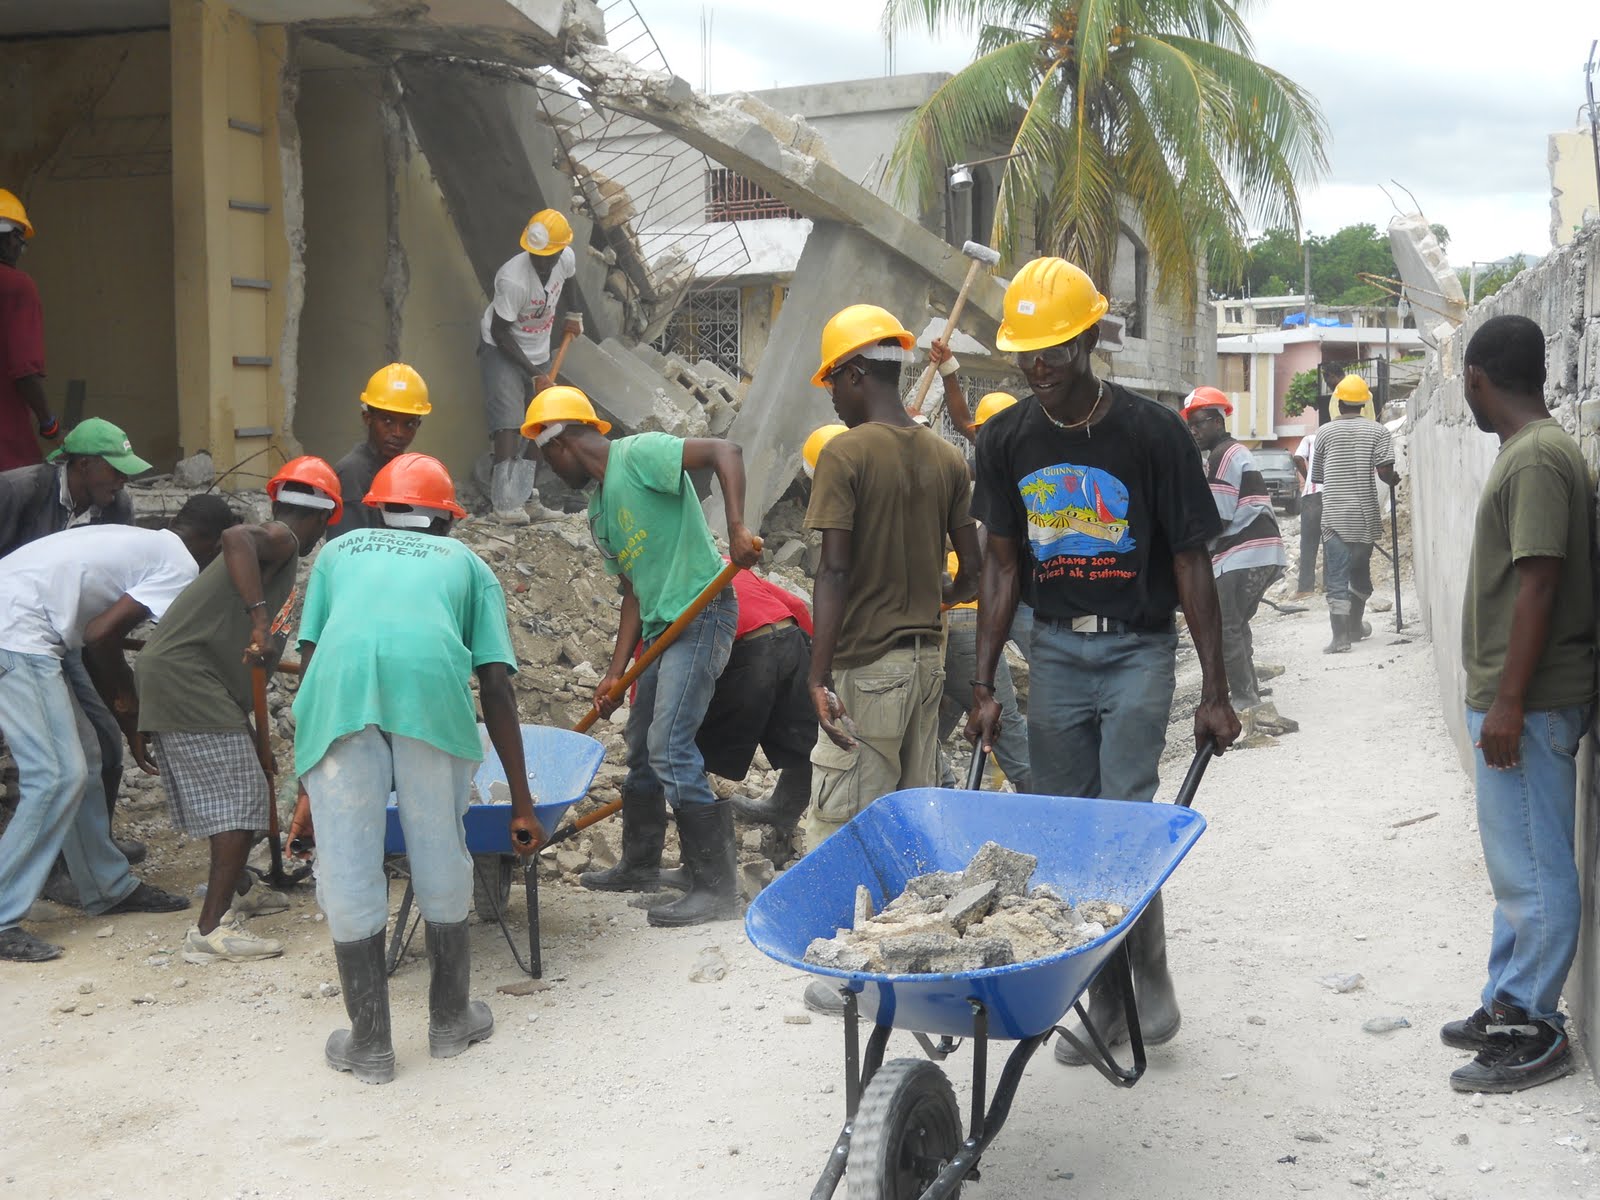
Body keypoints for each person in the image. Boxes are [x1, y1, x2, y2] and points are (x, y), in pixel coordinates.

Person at [965, 257, 1239, 1066]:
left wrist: (1216, 693)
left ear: (1088, 340)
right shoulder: (1007, 438)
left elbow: (1191, 562)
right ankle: (1103, 989)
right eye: (1025, 352)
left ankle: (1139, 983)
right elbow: (1002, 566)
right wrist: (983, 686)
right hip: (1053, 651)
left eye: (1051, 350)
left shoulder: (1154, 435)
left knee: (1124, 825)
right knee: (1065, 829)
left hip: (1136, 651)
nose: (1035, 367)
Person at [294, 453, 543, 1084]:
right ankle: (450, 1022)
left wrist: (307, 792)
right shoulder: (467, 564)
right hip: (430, 693)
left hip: (340, 698)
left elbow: (311, 657)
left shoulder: (338, 550)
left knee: (349, 866)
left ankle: (371, 1044)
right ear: (447, 522)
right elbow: (494, 685)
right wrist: (520, 800)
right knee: (439, 848)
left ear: (375, 509)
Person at [527, 386, 761, 926]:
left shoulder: (640, 456)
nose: (550, 472)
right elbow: (632, 593)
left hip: (702, 614)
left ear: (561, 446)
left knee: (669, 743)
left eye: (546, 460)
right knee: (640, 746)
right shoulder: (599, 510)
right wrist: (615, 674)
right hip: (660, 630)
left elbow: (727, 453)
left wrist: (738, 527)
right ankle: (640, 863)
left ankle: (717, 888)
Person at [1442, 314, 1596, 1094]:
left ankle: (1534, 1029)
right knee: (1518, 868)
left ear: (1478, 377)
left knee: (1535, 875)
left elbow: (1539, 581)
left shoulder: (1537, 457)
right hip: (1515, 702)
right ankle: (1505, 1002)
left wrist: (1508, 703)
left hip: (1527, 708)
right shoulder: (1529, 451)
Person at [0, 495, 240, 961]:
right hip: (17, 631)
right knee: (55, 775)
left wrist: (124, 711)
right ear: (213, 545)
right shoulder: (181, 564)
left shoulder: (147, 543)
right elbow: (103, 636)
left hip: (35, 625)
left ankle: (105, 886)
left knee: (86, 760)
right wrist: (129, 704)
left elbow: (96, 634)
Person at [134, 458, 343, 965]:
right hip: (188, 679)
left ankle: (243, 888)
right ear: (320, 519)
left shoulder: (280, 547)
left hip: (195, 678)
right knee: (243, 796)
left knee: (245, 779)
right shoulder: (284, 539)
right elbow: (234, 538)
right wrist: (259, 618)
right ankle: (210, 931)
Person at [587, 568, 816, 885]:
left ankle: (695, 875)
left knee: (682, 750)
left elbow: (653, 668)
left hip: (743, 651)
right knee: (802, 741)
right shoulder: (721, 564)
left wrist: (644, 732)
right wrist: (816, 675)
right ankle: (783, 811)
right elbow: (798, 606)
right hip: (790, 638)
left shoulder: (664, 591)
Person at [0, 417, 145, 869]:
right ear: (81, 465)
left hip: (69, 637)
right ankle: (51, 866)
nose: (122, 480)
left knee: (104, 738)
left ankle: (92, 847)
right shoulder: (19, 492)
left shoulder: (115, 509)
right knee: (47, 758)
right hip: (15, 635)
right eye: (114, 469)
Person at [1182, 386, 1295, 739]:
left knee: (1226, 627)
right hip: (1258, 550)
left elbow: (1219, 515)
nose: (1194, 431)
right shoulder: (1231, 452)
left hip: (1242, 550)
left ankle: (1245, 700)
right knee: (1236, 625)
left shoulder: (1224, 455)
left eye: (1199, 423)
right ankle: (1250, 693)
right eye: (1190, 425)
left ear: (1217, 420)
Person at [936, 392, 1031, 792]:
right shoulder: (981, 470)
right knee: (930, 733)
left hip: (968, 608)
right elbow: (959, 423)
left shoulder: (1014, 480)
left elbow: (981, 554)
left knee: (1000, 728)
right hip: (956, 613)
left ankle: (1043, 801)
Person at [478, 209, 583, 523]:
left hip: (538, 349)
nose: (542, 261)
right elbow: (499, 331)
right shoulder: (512, 279)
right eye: (536, 255)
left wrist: (574, 313)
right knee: (509, 422)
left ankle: (527, 497)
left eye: (548, 255)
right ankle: (505, 503)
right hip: (502, 349)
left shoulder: (565, 259)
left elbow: (571, 282)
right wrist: (535, 374)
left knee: (542, 422)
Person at [1311, 374, 1399, 653]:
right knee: (1359, 573)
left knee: (1337, 578)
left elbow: (1319, 475)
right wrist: (1393, 479)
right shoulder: (1379, 432)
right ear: (1365, 402)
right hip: (1364, 516)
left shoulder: (1324, 432)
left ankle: (1341, 638)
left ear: (1338, 401)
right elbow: (1385, 472)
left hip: (1334, 516)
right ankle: (1354, 626)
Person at [327, 364, 430, 540]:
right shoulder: (352, 473)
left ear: (418, 425)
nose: (398, 433)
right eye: (388, 420)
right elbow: (347, 547)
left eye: (409, 424)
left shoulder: (409, 473)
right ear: (368, 418)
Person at [0, 189, 58, 471]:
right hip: (8, 453)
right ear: (10, 236)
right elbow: (24, 372)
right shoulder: (15, 286)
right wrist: (50, 425)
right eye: (20, 241)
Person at [1289, 408, 1325, 598]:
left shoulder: (1310, 439)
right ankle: (1330, 583)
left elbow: (1296, 457)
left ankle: (1305, 588)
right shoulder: (1336, 438)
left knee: (1309, 543)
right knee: (1331, 541)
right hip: (1332, 496)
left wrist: (1307, 476)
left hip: (1312, 496)